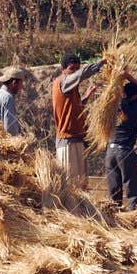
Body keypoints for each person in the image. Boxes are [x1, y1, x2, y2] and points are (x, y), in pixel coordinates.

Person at [51, 52, 105, 187]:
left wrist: (86, 97)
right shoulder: (63, 82)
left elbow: (74, 108)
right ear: (62, 69)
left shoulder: (71, 88)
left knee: (81, 184)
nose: (74, 73)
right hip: (67, 140)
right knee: (70, 185)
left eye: (76, 69)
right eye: (71, 69)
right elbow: (80, 75)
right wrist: (101, 63)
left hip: (77, 139)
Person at [105, 75, 137, 211]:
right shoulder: (133, 109)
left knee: (114, 188)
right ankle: (134, 215)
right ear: (134, 96)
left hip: (110, 152)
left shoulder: (114, 107)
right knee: (131, 186)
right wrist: (128, 76)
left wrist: (116, 82)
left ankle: (113, 216)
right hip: (124, 152)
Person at [0, 66, 26, 136]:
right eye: (21, 84)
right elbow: (10, 129)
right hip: (0, 142)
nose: (21, 88)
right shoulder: (8, 98)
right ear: (14, 83)